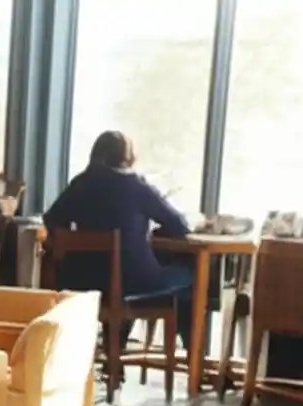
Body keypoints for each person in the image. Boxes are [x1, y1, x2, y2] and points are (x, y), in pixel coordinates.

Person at [44, 130, 195, 347]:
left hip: (81, 279)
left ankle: (114, 350)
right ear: (128, 159)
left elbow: (52, 219)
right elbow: (179, 225)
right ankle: (194, 361)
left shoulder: (80, 184)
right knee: (192, 277)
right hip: (132, 281)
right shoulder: (136, 187)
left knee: (121, 277)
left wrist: (70, 243)